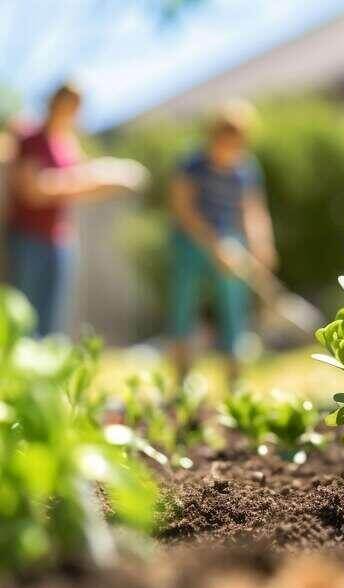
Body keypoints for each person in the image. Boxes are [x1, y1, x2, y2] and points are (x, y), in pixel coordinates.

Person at [5, 82, 146, 335]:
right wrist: (97, 180)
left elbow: (80, 181)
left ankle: (46, 373)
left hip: (60, 239)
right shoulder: (31, 138)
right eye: (68, 104)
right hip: (28, 238)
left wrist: (112, 177)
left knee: (53, 321)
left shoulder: (67, 144)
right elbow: (32, 190)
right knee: (22, 319)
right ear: (53, 102)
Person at [168, 100, 276, 384]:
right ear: (214, 136)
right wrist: (214, 243)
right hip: (192, 241)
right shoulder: (192, 165)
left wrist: (261, 244)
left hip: (230, 240)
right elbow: (183, 209)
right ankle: (181, 376)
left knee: (233, 305)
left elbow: (252, 210)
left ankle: (234, 378)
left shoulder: (246, 168)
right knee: (183, 305)